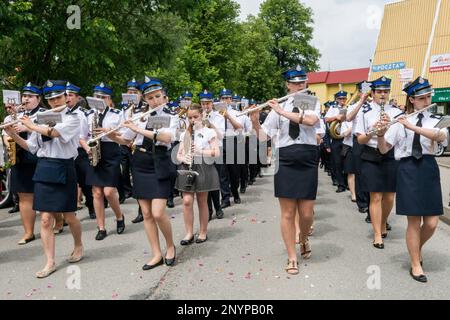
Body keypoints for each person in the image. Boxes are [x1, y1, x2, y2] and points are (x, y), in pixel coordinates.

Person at [5, 80, 83, 278]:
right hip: (44, 168)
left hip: (64, 167)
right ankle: (50, 261)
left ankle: (78, 244)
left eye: (58, 97)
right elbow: (31, 147)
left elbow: (55, 133)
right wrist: (13, 133)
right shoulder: (40, 118)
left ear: (65, 97)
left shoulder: (73, 117)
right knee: (46, 218)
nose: (55, 101)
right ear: (47, 101)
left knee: (70, 215)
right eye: (51, 98)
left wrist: (31, 125)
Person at [250, 65, 321, 275]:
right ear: (287, 85)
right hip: (286, 158)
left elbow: (310, 121)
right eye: (295, 82)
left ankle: (304, 237)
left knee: (306, 213)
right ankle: (291, 256)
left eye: (302, 82)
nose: (300, 85)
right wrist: (255, 123)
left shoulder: (312, 102)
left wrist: (281, 111)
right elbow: (264, 137)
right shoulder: (278, 107)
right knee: (288, 212)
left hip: (307, 156)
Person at [377, 77, 448, 283]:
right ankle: (415, 263)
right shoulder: (399, 121)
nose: (426, 101)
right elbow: (384, 149)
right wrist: (381, 135)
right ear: (411, 100)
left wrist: (412, 127)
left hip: (428, 168)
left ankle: (416, 248)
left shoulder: (434, 118)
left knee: (432, 223)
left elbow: (441, 136)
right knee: (414, 222)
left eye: (428, 97)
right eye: (421, 98)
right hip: (407, 169)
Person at [108, 76, 177, 270]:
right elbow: (126, 140)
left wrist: (138, 128)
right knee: (146, 213)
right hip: (140, 163)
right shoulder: (139, 114)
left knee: (158, 212)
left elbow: (166, 137)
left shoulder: (171, 115)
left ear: (164, 96)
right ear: (145, 99)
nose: (155, 101)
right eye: (150, 98)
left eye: (158, 96)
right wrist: (112, 134)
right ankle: (156, 253)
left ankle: (170, 246)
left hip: (160, 162)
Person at [355, 76, 402, 249]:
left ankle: (383, 222)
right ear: (373, 93)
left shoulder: (397, 112)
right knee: (375, 196)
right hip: (370, 154)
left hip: (389, 155)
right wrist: (372, 131)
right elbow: (360, 139)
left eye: (386, 91)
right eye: (379, 91)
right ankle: (377, 234)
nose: (383, 94)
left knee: (389, 196)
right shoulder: (365, 111)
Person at [5, 83, 46, 245]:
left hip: (39, 157)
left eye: (30, 96)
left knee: (44, 193)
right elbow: (6, 135)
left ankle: (56, 222)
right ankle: (29, 232)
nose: (26, 99)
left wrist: (27, 127)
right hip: (20, 158)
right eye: (24, 96)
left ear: (38, 99)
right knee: (24, 195)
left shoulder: (44, 113)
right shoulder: (12, 116)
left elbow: (49, 131)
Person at [86, 83, 126, 240]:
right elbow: (82, 136)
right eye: (97, 97)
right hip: (95, 150)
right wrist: (87, 148)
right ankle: (101, 227)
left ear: (109, 99)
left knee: (109, 191)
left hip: (111, 151)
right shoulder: (89, 114)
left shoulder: (117, 113)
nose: (100, 100)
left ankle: (119, 216)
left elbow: (124, 133)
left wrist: (107, 132)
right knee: (96, 192)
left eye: (103, 97)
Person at [176, 103, 220, 244]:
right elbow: (178, 155)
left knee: (202, 201)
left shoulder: (209, 132)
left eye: (196, 117)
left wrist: (200, 152)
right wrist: (184, 158)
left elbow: (216, 152)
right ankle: (189, 233)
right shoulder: (185, 134)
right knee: (187, 201)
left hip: (203, 166)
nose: (193, 120)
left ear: (202, 116)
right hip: (188, 167)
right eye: (190, 117)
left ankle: (203, 232)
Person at [66, 82, 96, 220]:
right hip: (65, 153)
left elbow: (84, 135)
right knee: (68, 184)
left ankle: (91, 207)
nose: (67, 98)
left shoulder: (83, 114)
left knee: (85, 183)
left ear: (77, 98)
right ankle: (68, 214)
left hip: (80, 152)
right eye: (65, 95)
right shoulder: (60, 113)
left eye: (70, 95)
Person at [345, 82, 371, 218]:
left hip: (372, 141)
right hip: (358, 141)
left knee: (371, 174)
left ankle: (374, 209)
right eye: (364, 91)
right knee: (360, 173)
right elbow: (348, 118)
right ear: (360, 92)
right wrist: (361, 102)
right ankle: (363, 203)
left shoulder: (376, 106)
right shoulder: (354, 105)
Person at [200, 90, 225, 220]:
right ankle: (208, 210)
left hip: (216, 151)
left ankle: (218, 207)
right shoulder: (198, 117)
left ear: (212, 103)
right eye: (203, 104)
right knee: (205, 183)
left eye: (208, 103)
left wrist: (210, 125)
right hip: (203, 152)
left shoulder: (219, 117)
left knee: (215, 180)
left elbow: (221, 135)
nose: (205, 106)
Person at [219, 88, 244, 207]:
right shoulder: (215, 113)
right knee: (222, 172)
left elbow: (239, 127)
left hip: (231, 141)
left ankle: (235, 192)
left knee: (234, 172)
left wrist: (228, 116)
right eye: (222, 98)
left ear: (230, 99)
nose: (225, 100)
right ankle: (225, 198)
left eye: (227, 98)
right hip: (219, 142)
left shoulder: (235, 112)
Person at [325, 91, 348, 193]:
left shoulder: (350, 107)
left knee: (347, 162)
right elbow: (326, 120)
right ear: (337, 99)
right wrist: (336, 117)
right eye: (341, 99)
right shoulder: (333, 108)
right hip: (336, 138)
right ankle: (341, 184)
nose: (342, 101)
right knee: (337, 163)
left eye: (344, 98)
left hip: (347, 137)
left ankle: (347, 183)